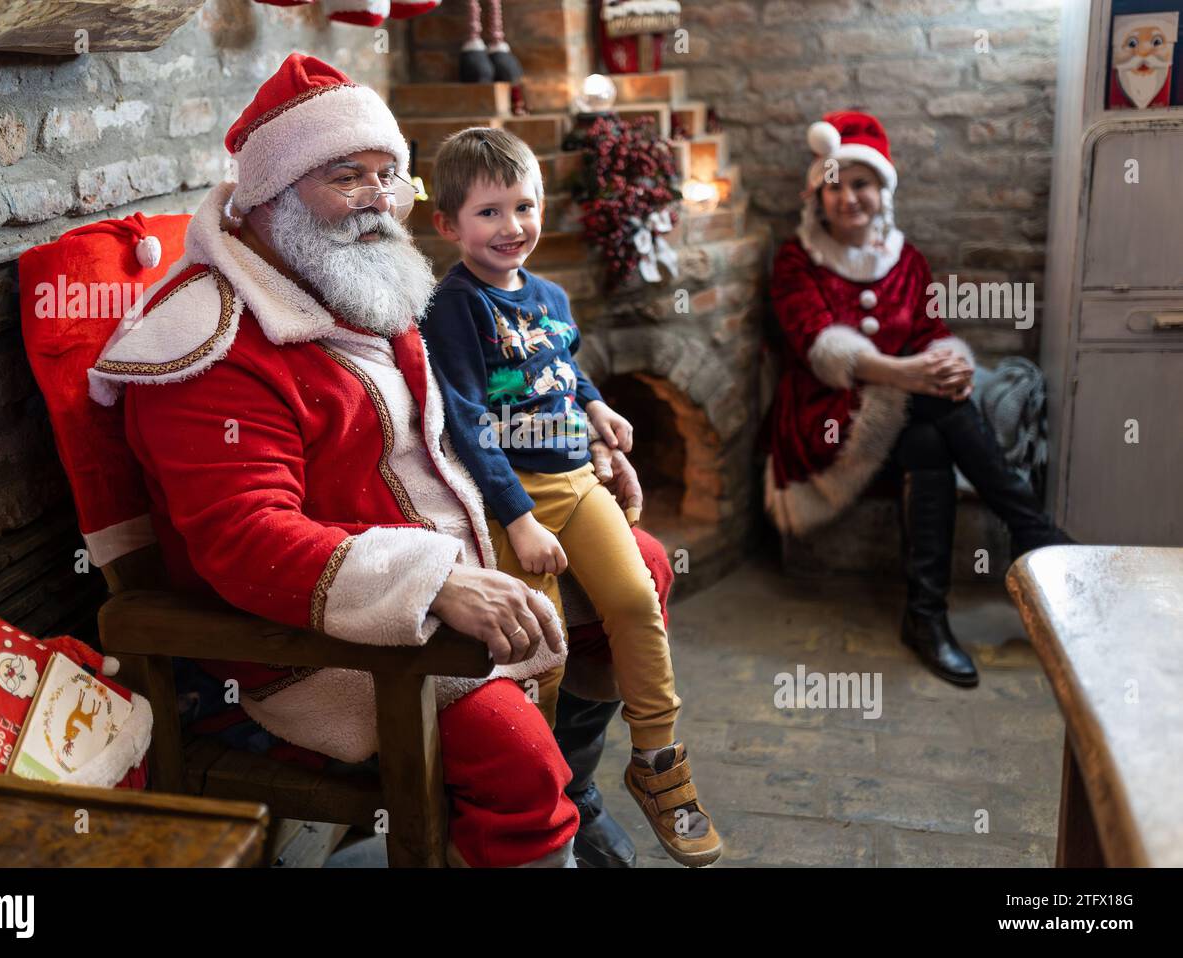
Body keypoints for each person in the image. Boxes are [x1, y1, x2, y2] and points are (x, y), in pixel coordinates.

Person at [87, 53, 657, 867]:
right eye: (347, 177)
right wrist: (435, 581)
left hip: (443, 532)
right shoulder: (207, 345)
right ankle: (536, 825)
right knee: (514, 753)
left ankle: (578, 790)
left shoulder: (351, 278)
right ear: (272, 196)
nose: (379, 202)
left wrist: (576, 451)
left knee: (643, 566)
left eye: (391, 177)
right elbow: (245, 542)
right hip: (319, 622)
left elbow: (451, 424)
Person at [418, 127, 721, 867]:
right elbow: (463, 419)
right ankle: (548, 796)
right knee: (538, 649)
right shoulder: (454, 307)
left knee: (632, 601)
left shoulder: (549, 294)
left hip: (577, 485)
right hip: (506, 495)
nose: (511, 227)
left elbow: (565, 368)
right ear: (447, 225)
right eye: (489, 213)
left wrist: (596, 411)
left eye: (524, 207)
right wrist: (517, 520)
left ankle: (657, 763)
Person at [763, 111, 1070, 687]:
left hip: (910, 409)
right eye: (835, 185)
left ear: (882, 191)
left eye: (862, 183)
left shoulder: (905, 257)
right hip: (827, 412)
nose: (849, 197)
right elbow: (818, 349)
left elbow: (931, 331)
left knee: (931, 435)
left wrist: (949, 361)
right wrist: (909, 373)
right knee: (935, 412)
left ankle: (927, 615)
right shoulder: (796, 258)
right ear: (818, 196)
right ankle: (1030, 528)